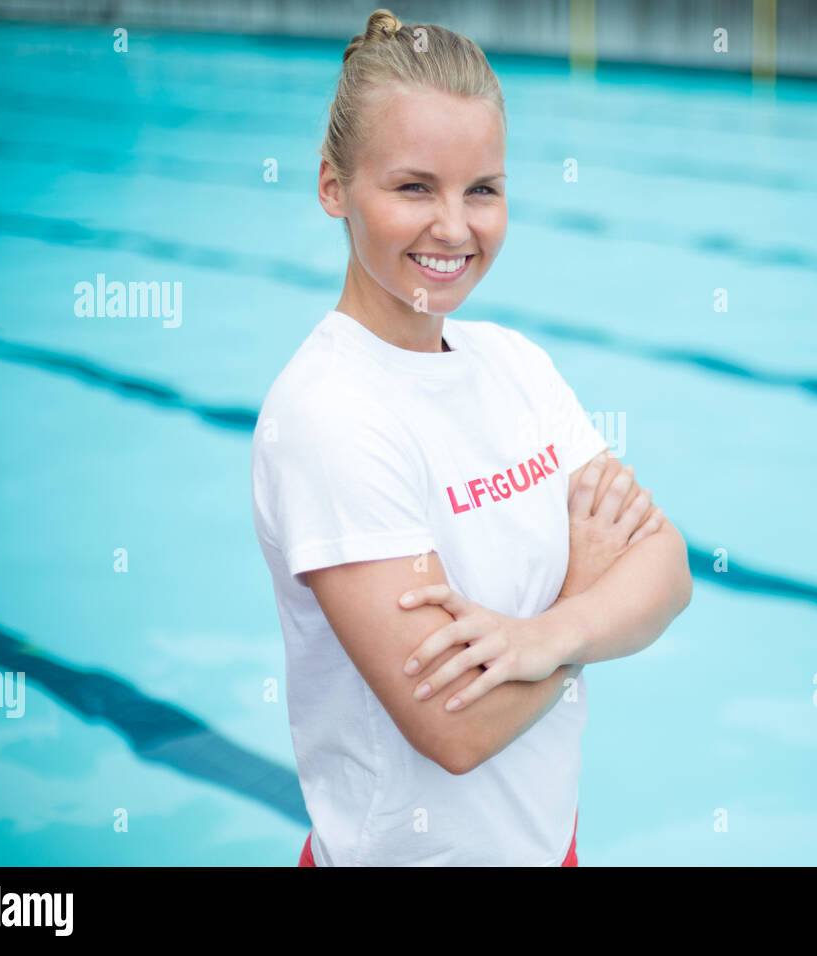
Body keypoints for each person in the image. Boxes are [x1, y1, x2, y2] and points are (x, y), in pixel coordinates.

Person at [251, 8, 692, 866]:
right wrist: (591, 602)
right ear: (333, 188)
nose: (455, 227)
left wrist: (544, 636)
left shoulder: (513, 364)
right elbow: (454, 726)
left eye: (482, 188)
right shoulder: (329, 415)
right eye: (414, 187)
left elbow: (670, 571)